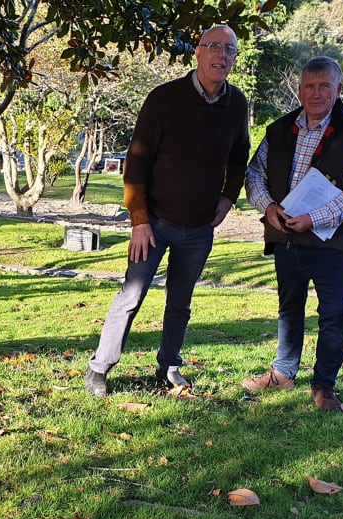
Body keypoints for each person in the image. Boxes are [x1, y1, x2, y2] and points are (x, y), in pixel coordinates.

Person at [84, 25, 249, 397]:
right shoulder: (164, 98)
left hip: (199, 228)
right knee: (131, 296)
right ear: (198, 52)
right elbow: (137, 163)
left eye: (229, 50)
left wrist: (227, 198)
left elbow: (239, 157)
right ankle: (99, 368)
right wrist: (139, 221)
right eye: (213, 47)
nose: (221, 56)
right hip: (155, 223)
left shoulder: (237, 104)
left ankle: (169, 366)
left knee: (181, 301)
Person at [242, 56, 343, 411]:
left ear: (338, 89)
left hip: (330, 240)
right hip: (285, 237)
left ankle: (324, 386)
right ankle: (283, 373)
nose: (316, 93)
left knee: (334, 312)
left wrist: (313, 218)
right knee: (289, 309)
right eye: (309, 86)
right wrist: (268, 208)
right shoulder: (278, 129)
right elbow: (254, 173)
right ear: (300, 89)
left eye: (324, 86)